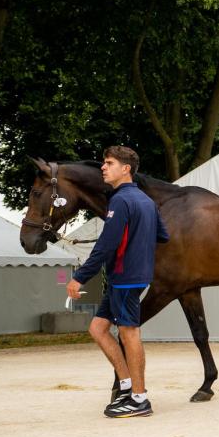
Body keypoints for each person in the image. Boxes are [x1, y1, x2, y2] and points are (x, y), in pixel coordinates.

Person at [66, 146, 169, 418]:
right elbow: (163, 235)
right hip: (130, 276)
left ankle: (139, 398)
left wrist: (79, 277)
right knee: (98, 328)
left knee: (129, 332)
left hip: (125, 277)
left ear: (126, 169)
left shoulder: (121, 201)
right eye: (103, 163)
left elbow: (106, 245)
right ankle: (125, 385)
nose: (103, 167)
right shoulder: (146, 201)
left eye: (109, 163)